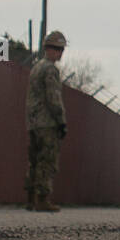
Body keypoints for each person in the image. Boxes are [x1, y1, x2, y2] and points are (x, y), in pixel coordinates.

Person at [26, 31, 67, 212]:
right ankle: (42, 199)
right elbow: (53, 98)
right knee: (47, 161)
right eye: (59, 49)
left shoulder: (36, 67)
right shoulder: (50, 69)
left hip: (33, 121)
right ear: (54, 49)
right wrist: (61, 121)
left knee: (34, 161)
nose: (61, 53)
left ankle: (30, 199)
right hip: (47, 122)